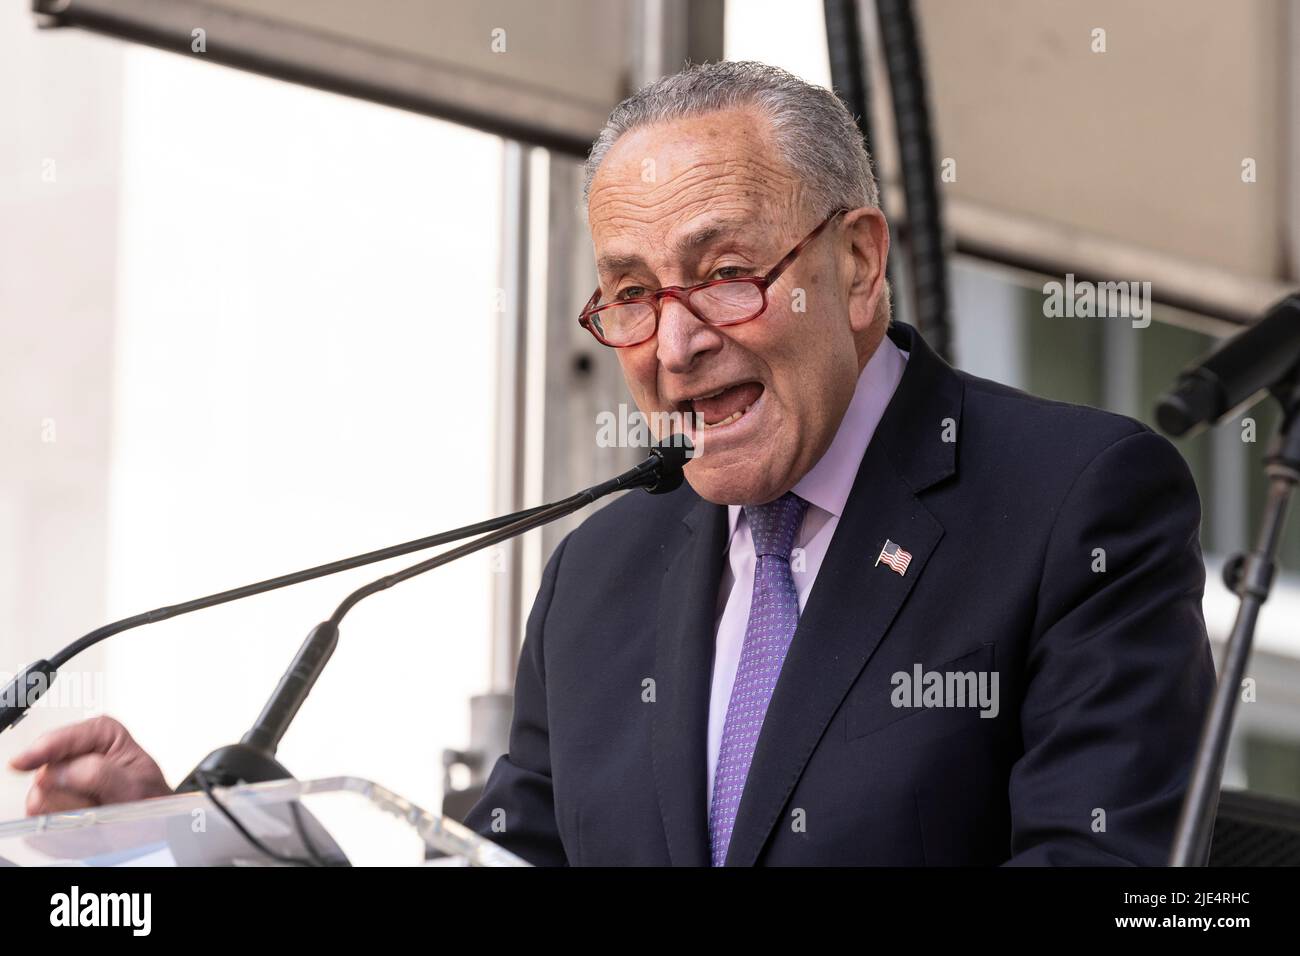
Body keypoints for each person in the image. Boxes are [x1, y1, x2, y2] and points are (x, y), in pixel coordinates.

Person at [8, 61, 1216, 866]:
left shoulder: (1076, 500)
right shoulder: (604, 568)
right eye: (630, 293)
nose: (676, 340)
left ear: (855, 264)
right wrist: (203, 843)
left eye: (724, 270)